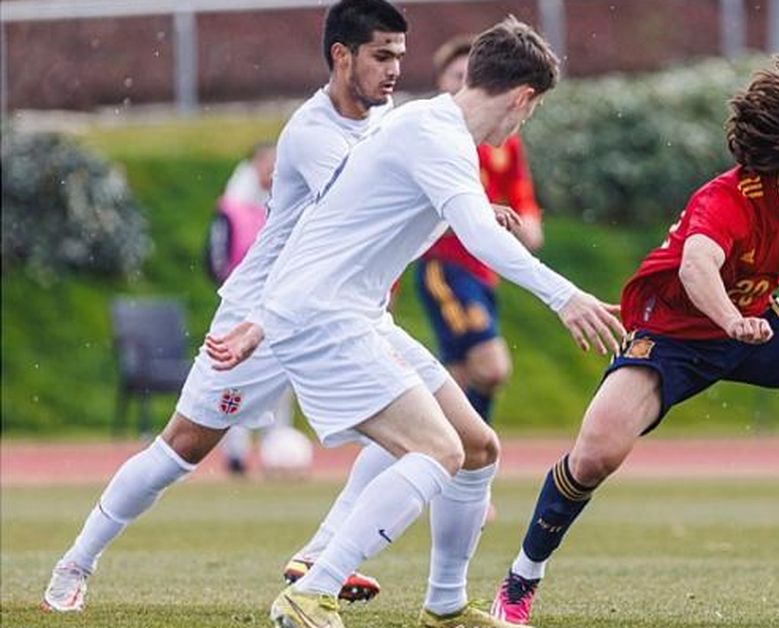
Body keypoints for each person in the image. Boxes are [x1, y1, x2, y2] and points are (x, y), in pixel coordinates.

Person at [203, 17, 625, 628]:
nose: (520, 126)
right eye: (528, 113)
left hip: (346, 314)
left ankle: (446, 605)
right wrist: (565, 297)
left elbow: (330, 222)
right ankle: (310, 591)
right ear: (522, 98)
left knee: (478, 448)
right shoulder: (436, 136)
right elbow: (479, 236)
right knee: (436, 450)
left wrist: (263, 318)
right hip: (325, 318)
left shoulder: (423, 122)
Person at [489, 55, 779, 625]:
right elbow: (696, 266)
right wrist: (729, 320)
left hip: (754, 325)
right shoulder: (728, 199)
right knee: (596, 454)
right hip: (674, 335)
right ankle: (521, 579)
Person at [40, 0, 406, 613]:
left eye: (400, 55)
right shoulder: (313, 133)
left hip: (341, 317)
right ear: (342, 56)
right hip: (262, 315)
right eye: (381, 55)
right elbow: (363, 209)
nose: (395, 69)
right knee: (179, 450)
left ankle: (320, 557)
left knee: (417, 433)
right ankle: (77, 560)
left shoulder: (388, 117)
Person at [415, 34, 545, 425]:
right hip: (447, 268)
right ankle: (467, 448)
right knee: (491, 366)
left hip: (484, 272)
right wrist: (475, 218)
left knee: (458, 376)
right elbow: (423, 215)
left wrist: (527, 227)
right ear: (442, 82)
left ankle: (443, 452)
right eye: (456, 75)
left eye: (470, 74)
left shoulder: (504, 140)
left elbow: (523, 201)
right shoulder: (433, 135)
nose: (463, 82)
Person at [207, 141, 292, 476]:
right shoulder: (233, 206)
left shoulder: (282, 200)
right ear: (256, 163)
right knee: (238, 376)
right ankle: (236, 450)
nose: (272, 171)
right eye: (268, 163)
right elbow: (218, 256)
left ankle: (277, 445)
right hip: (244, 305)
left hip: (278, 302)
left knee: (280, 374)